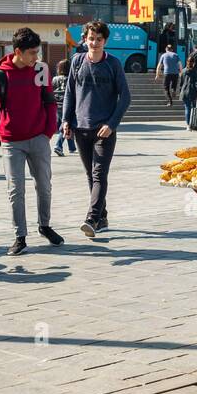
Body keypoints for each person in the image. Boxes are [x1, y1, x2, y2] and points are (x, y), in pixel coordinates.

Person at [0, 28, 64, 256]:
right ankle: (20, 237)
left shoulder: (41, 70)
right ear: (17, 51)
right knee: (16, 190)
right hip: (10, 141)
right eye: (31, 53)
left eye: (38, 52)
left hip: (38, 138)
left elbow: (49, 101)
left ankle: (45, 226)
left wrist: (47, 132)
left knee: (44, 186)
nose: (36, 58)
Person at [62, 19, 130, 238]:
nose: (94, 42)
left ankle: (91, 218)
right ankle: (102, 217)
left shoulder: (113, 64)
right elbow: (70, 93)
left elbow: (125, 97)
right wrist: (65, 120)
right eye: (91, 38)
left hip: (104, 130)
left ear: (105, 41)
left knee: (99, 174)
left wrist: (112, 124)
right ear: (85, 39)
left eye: (99, 39)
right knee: (91, 176)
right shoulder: (77, 61)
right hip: (81, 128)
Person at [181, 51, 197, 130]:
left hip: (184, 91)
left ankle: (188, 125)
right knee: (193, 107)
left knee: (187, 108)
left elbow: (181, 82)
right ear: (194, 63)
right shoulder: (195, 71)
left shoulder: (183, 71)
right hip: (193, 91)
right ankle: (193, 123)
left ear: (187, 62)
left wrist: (180, 91)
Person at [52, 59, 71, 156]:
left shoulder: (55, 79)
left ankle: (72, 147)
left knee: (65, 124)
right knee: (66, 125)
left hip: (57, 104)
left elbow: (51, 90)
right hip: (66, 104)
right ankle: (58, 145)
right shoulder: (70, 78)